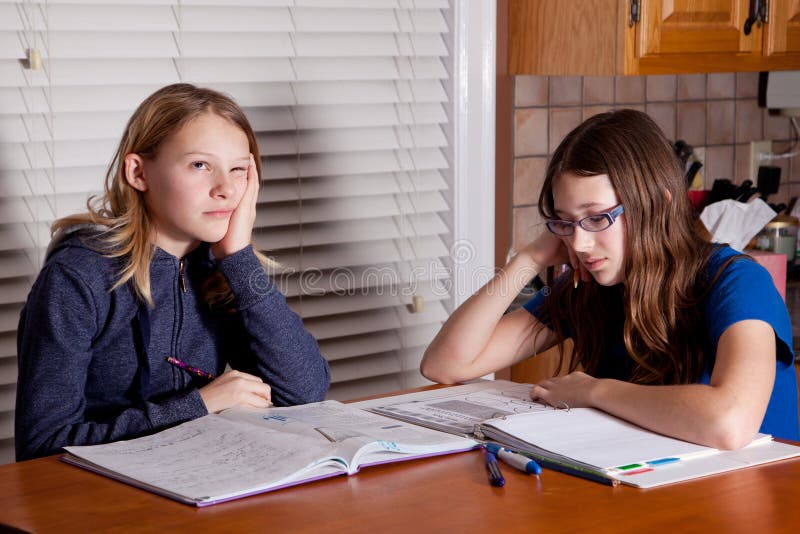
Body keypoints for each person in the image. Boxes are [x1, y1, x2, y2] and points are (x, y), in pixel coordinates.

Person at [421, 109, 799, 448]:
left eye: (597, 218)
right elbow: (446, 364)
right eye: (565, 223)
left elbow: (728, 422)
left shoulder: (737, 282)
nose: (581, 243)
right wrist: (531, 256)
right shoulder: (590, 288)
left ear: (660, 204)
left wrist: (595, 391)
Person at [16, 83, 331, 461]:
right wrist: (198, 404)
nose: (226, 190)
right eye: (200, 165)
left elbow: (305, 392)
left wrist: (239, 257)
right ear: (138, 172)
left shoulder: (220, 267)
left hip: (198, 481)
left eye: (238, 170)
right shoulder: (79, 276)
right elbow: (42, 446)